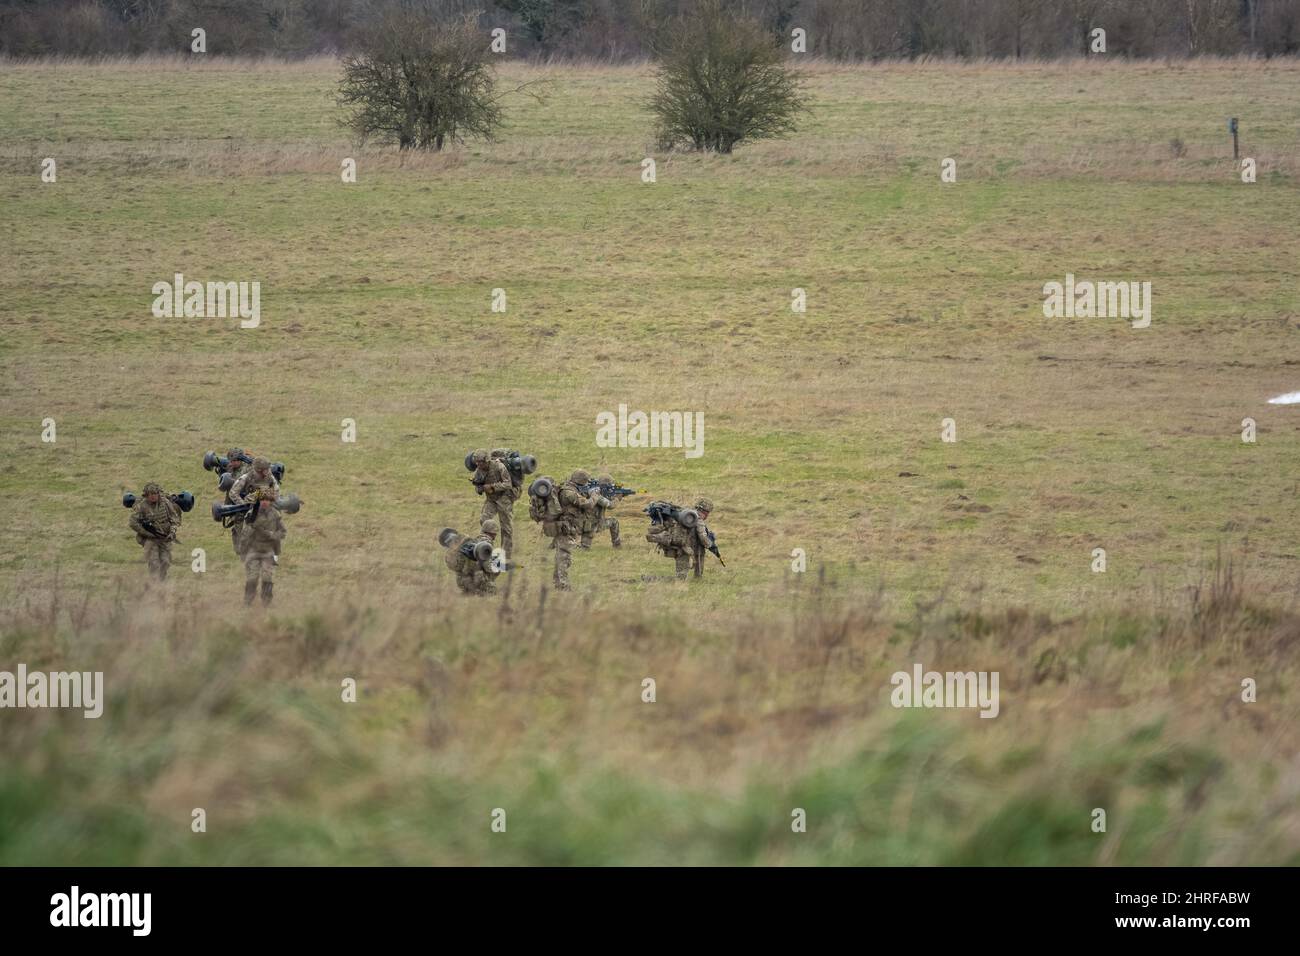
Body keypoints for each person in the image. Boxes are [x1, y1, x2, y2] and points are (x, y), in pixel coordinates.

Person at [241, 486, 286, 606]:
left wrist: (273, 535)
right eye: (262, 499)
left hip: (268, 552)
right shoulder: (252, 514)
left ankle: (266, 603)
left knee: (267, 578)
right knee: (252, 577)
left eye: (267, 499)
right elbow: (245, 533)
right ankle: (247, 602)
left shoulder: (275, 515)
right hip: (254, 551)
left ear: (271, 501)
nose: (264, 502)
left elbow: (282, 532)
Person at [128, 482, 181, 581]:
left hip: (165, 538)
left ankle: (161, 581)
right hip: (150, 540)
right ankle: (154, 584)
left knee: (165, 562)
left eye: (154, 494)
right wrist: (146, 532)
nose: (153, 496)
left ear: (158, 494)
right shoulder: (142, 506)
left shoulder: (165, 503)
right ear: (146, 495)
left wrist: (172, 531)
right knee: (154, 562)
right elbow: (132, 522)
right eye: (150, 494)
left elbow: (174, 518)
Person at [471, 449, 515, 559]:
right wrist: (480, 488)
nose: (478, 464)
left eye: (480, 462)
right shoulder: (479, 471)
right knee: (484, 520)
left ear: (486, 460)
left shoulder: (499, 467)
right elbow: (477, 487)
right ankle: (485, 547)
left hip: (504, 499)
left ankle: (505, 556)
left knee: (506, 528)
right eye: (477, 462)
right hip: (491, 500)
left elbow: (508, 484)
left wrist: (492, 487)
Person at [580, 472, 622, 549]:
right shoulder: (596, 495)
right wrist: (617, 499)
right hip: (593, 524)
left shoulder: (590, 491)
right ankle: (617, 545)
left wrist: (612, 496)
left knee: (584, 547)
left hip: (587, 523)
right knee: (614, 522)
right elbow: (610, 505)